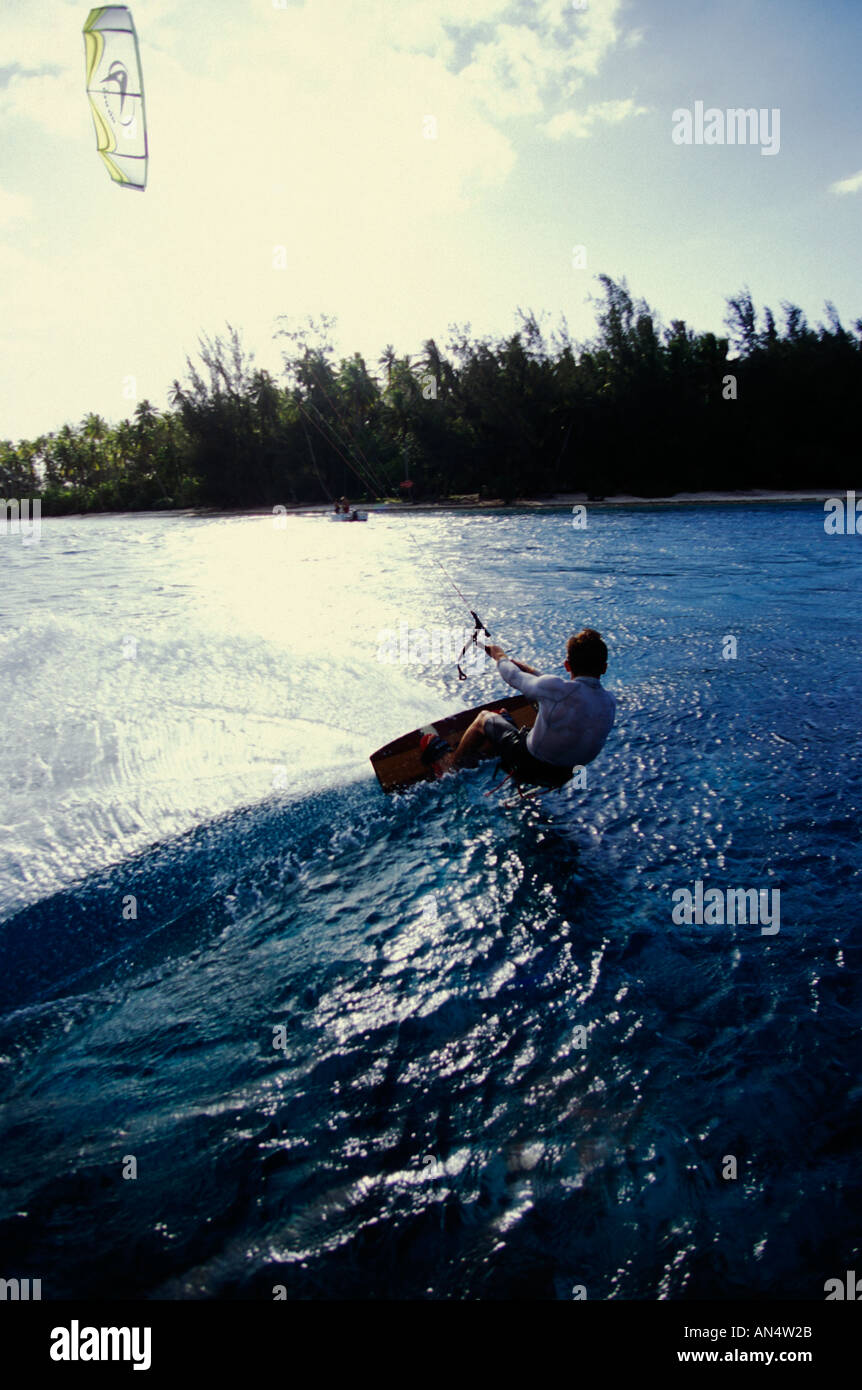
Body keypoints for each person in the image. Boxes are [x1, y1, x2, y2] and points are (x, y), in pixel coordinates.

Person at [437, 628, 616, 787]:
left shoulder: (556, 690)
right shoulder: (609, 702)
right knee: (541, 706)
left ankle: (451, 765)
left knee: (484, 717)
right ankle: (504, 735)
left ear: (567, 665)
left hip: (529, 766)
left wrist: (498, 655)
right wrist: (528, 670)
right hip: (564, 776)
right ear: (605, 668)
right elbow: (558, 688)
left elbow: (512, 676)